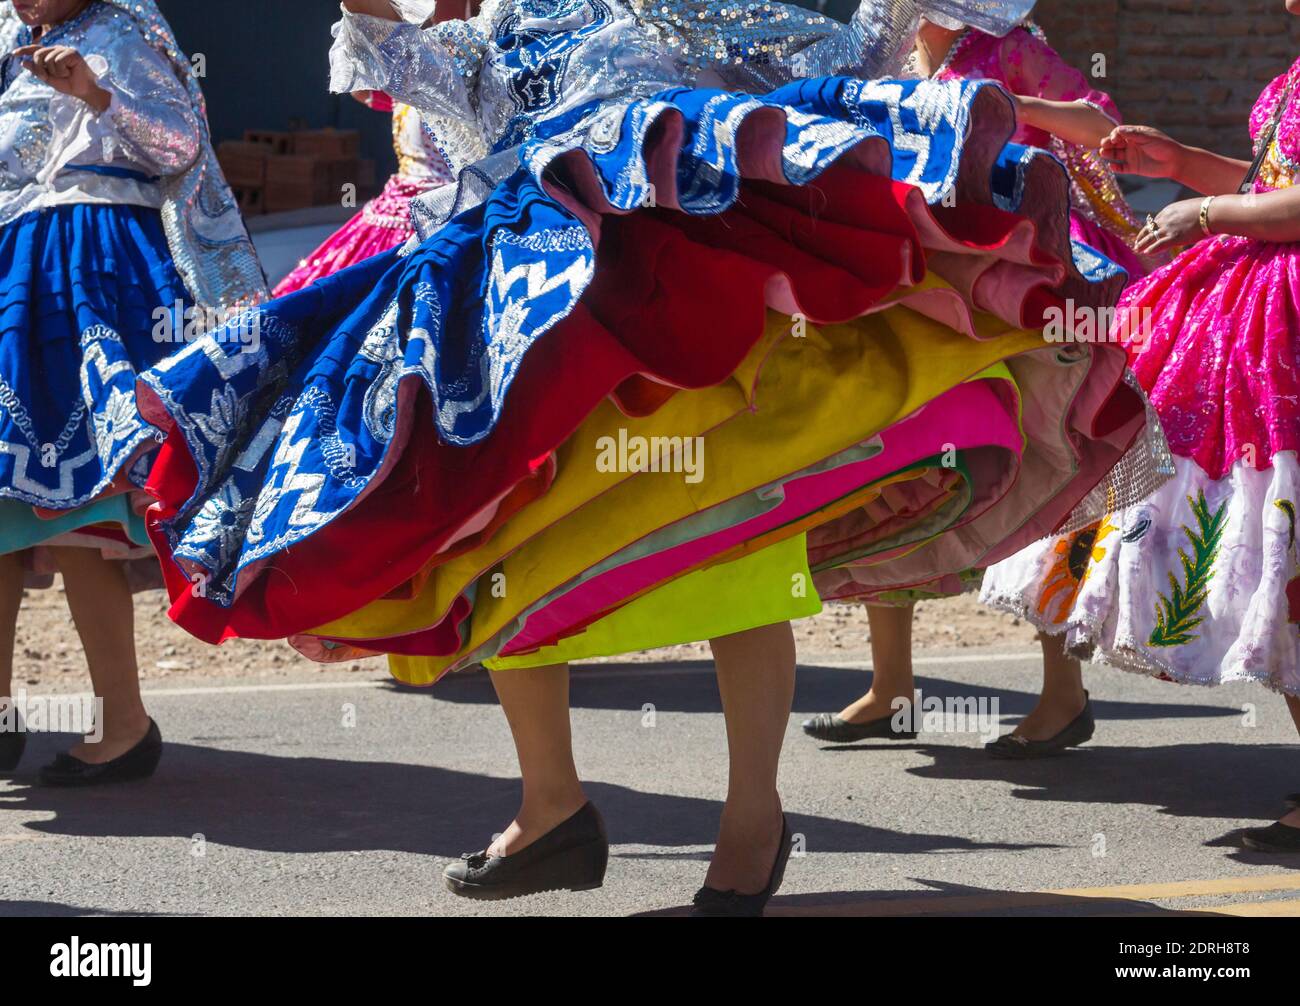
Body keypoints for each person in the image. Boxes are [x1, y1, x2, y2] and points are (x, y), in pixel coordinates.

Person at [134, 0, 1144, 914]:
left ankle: (750, 820)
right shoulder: (518, 24)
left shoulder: (741, 12)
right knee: (500, 543)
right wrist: (378, 21)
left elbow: (858, 62)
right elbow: (453, 102)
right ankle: (551, 806)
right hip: (556, 310)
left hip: (716, 313)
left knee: (735, 559)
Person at [803, 7, 1163, 757]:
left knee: (1047, 467)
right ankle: (891, 686)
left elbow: (1102, 129)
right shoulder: (891, 55)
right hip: (919, 291)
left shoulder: (1011, 50)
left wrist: (1003, 111)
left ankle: (1062, 694)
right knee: (890, 468)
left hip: (1019, 298)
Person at [984, 0, 1300, 851]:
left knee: (1282, 544)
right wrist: (1184, 163)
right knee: (1266, 550)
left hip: (1283, 335)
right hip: (1247, 319)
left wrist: (1204, 216)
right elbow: (1270, 187)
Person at [0, 0, 265, 784]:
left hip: (93, 272)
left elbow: (180, 142)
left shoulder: (124, 32)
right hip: (15, 268)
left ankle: (123, 724)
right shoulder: (10, 34)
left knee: (83, 510)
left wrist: (96, 93)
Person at [272, 95, 452, 296]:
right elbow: (362, 91)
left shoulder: (457, 88)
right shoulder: (404, 88)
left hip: (447, 206)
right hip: (397, 204)